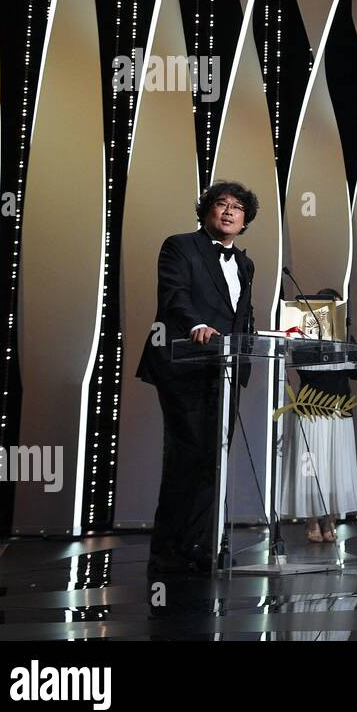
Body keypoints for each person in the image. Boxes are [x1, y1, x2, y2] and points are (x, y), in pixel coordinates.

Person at [137, 181, 259, 573]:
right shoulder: (179, 246)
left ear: (244, 221)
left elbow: (242, 314)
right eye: (221, 204)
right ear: (206, 211)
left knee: (214, 459)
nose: (228, 211)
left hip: (224, 369)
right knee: (186, 454)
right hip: (185, 363)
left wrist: (256, 340)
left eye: (237, 208)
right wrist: (198, 326)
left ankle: (201, 545)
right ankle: (169, 549)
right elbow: (174, 296)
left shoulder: (244, 263)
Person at [276, 289, 357, 543]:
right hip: (312, 409)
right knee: (312, 468)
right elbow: (306, 372)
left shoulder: (346, 337)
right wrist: (337, 360)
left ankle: (331, 520)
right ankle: (312, 520)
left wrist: (346, 355)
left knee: (336, 465)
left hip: (339, 409)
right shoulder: (305, 337)